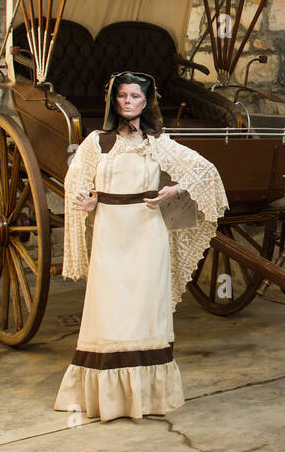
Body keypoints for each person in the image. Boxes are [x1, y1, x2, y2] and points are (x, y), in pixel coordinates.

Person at [55, 71, 228, 421]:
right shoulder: (97, 142)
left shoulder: (158, 143)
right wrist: (89, 200)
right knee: (108, 309)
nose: (127, 102)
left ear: (147, 102)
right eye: (121, 96)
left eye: (135, 96)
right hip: (110, 233)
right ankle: (105, 397)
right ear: (113, 101)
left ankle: (145, 399)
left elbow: (206, 171)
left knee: (145, 310)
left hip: (148, 234)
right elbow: (75, 182)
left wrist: (173, 190)